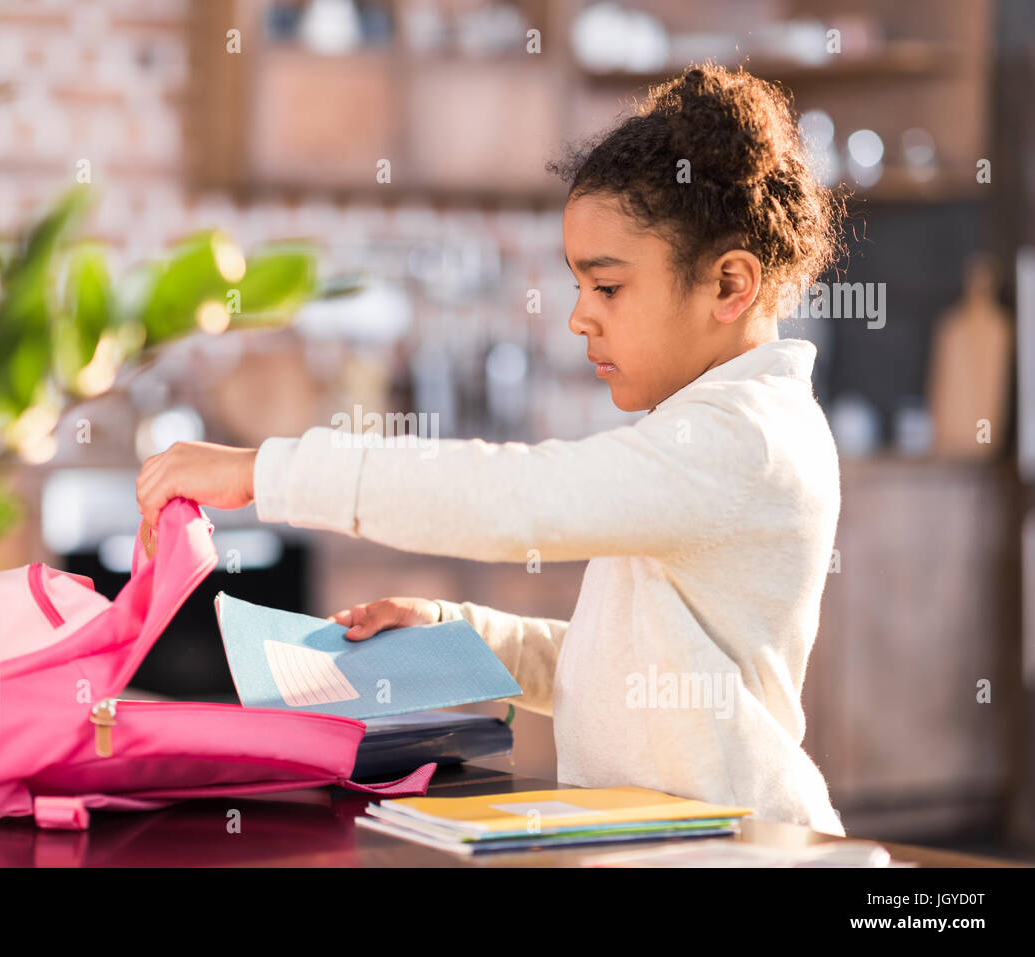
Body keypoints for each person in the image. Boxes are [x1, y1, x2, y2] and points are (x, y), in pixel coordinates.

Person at [135, 63, 849, 834]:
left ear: (729, 285)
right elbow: (631, 672)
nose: (579, 318)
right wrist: (462, 635)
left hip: (741, 848)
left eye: (606, 287)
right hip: (667, 842)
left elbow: (518, 496)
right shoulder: (713, 427)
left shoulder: (746, 438)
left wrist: (263, 469)